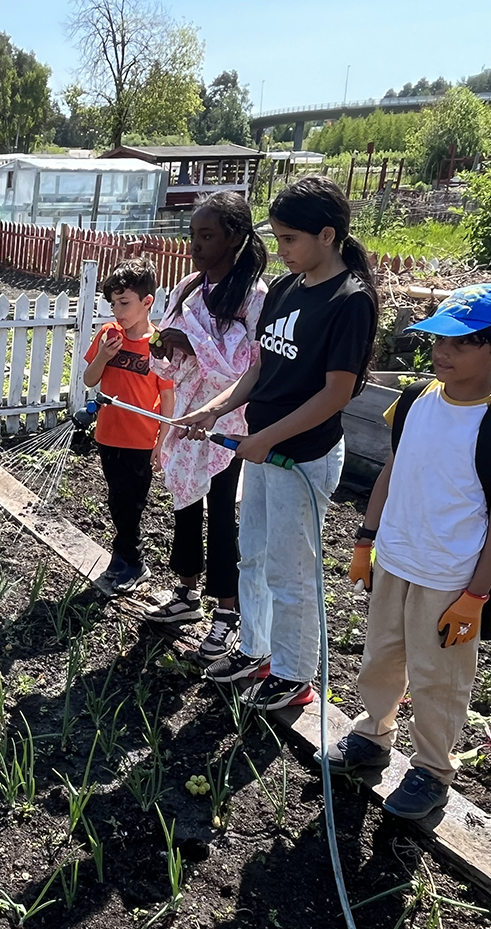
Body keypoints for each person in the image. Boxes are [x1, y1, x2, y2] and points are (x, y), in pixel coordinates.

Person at [325, 284, 491, 819]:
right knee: (380, 658)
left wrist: (476, 596)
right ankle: (372, 736)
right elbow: (393, 474)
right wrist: (366, 540)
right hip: (395, 558)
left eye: (460, 343)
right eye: (437, 339)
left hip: (449, 577)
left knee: (438, 677)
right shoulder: (416, 399)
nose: (441, 352)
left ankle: (431, 770)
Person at [174, 175, 378, 710]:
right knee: (254, 557)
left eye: (290, 240)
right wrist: (215, 409)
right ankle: (255, 649)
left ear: (327, 235)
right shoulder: (288, 290)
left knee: (292, 569)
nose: (280, 250)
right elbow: (260, 366)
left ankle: (293, 675)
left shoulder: (348, 301)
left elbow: (336, 393)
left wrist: (265, 438)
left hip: (302, 455)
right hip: (266, 446)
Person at [143, 193, 269, 665]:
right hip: (187, 413)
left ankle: (226, 611)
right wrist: (167, 345)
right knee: (185, 500)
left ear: (235, 238)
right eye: (194, 234)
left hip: (228, 421)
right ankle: (186, 591)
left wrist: (194, 343)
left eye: (207, 235)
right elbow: (168, 340)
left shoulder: (255, 298)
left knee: (221, 512)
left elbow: (251, 366)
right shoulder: (190, 288)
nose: (195, 245)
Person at [82, 257, 175, 594]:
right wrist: (104, 356)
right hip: (108, 433)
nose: (117, 310)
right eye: (112, 303)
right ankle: (122, 558)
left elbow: (168, 400)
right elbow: (90, 378)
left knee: (131, 501)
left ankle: (132, 561)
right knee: (116, 498)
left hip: (140, 438)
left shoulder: (159, 344)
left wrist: (162, 442)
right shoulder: (108, 335)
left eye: (124, 302)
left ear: (147, 302)